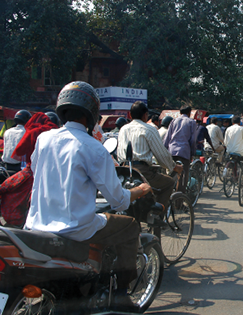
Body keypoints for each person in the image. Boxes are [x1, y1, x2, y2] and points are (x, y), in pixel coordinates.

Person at [24, 81, 152, 311]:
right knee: (131, 226)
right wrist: (139, 191)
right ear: (92, 113)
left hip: (35, 228)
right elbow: (118, 200)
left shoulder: (44, 139)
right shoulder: (93, 148)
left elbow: (35, 171)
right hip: (75, 230)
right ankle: (121, 295)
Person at [117, 101, 183, 211]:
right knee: (169, 183)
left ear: (130, 115)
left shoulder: (123, 129)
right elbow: (161, 155)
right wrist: (173, 167)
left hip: (124, 170)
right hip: (142, 171)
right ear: (145, 115)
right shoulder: (149, 129)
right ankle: (158, 215)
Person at [164, 106, 197, 193]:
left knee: (170, 174)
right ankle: (179, 200)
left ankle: (167, 195)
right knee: (183, 177)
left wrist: (165, 151)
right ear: (189, 113)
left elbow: (167, 138)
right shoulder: (192, 122)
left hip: (171, 150)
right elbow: (193, 140)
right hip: (184, 151)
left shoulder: (174, 121)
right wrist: (192, 153)